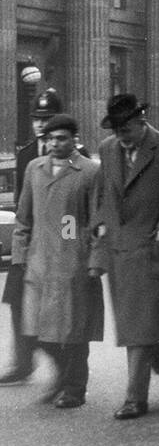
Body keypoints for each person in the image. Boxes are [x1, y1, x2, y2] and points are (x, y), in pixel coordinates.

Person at [96, 93, 159, 419]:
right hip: (118, 250)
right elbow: (105, 197)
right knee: (136, 325)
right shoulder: (108, 149)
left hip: (151, 248)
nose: (121, 135)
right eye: (116, 129)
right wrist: (98, 236)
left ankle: (134, 399)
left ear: (141, 121)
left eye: (127, 128)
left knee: (137, 327)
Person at [11, 114, 104, 408]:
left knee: (74, 331)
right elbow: (23, 217)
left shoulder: (89, 171)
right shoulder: (34, 169)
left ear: (74, 140)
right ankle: (64, 377)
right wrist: (19, 256)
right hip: (38, 264)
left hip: (73, 263)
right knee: (37, 331)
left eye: (61, 138)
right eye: (50, 139)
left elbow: (98, 222)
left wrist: (94, 259)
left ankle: (75, 388)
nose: (54, 144)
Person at [1, 89, 90, 387]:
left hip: (63, 250)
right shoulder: (28, 155)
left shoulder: (83, 162)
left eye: (47, 120)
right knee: (20, 305)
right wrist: (20, 251)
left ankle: (65, 373)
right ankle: (24, 362)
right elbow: (23, 206)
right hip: (32, 246)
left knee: (61, 316)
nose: (41, 126)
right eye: (37, 120)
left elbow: (76, 215)